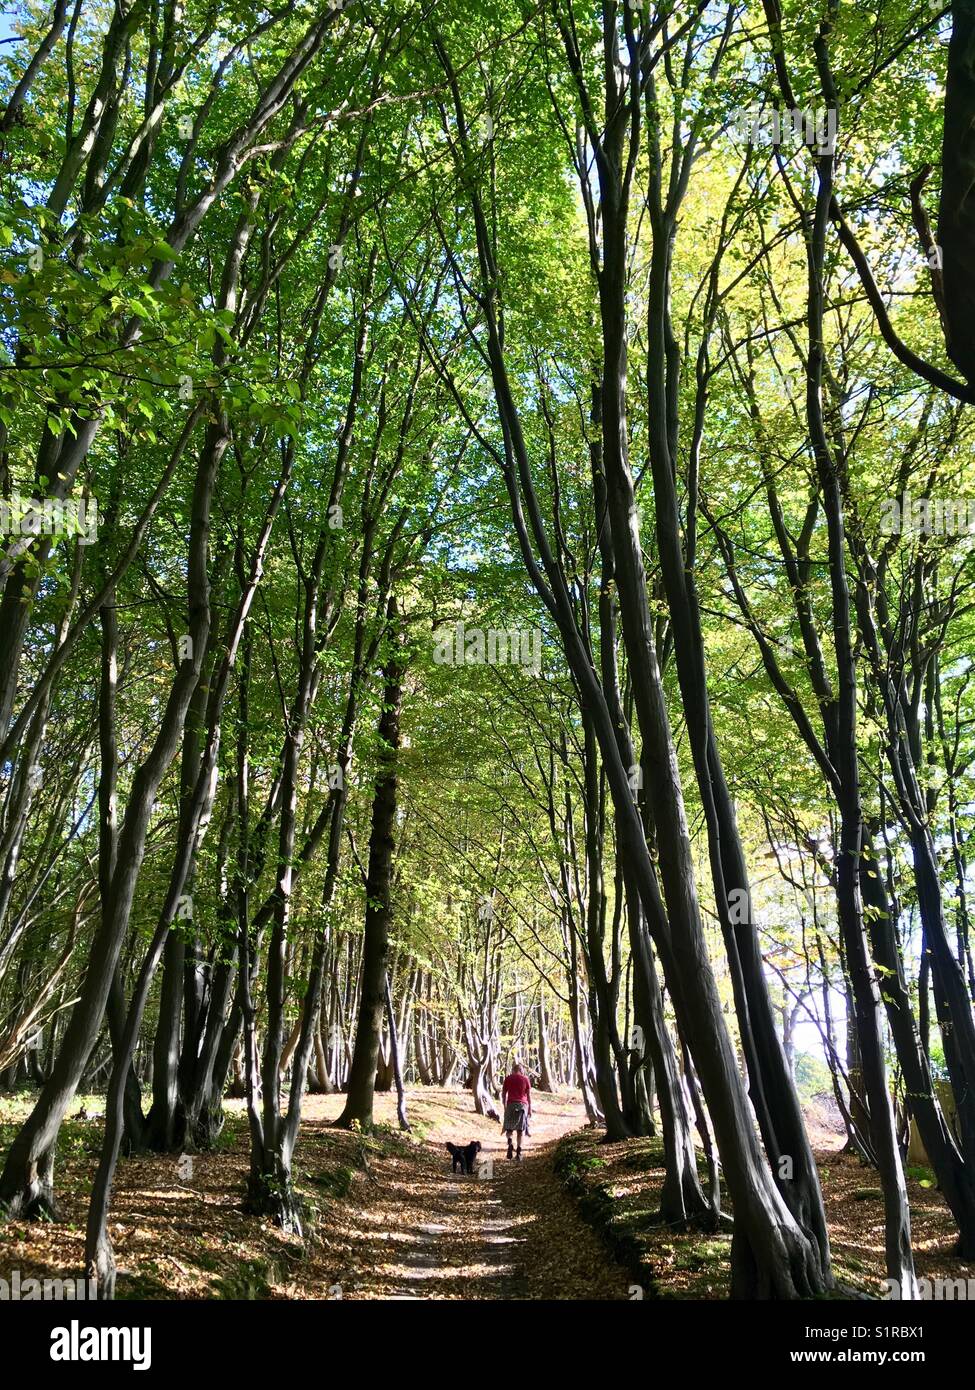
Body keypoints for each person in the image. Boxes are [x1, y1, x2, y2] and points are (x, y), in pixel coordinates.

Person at [501, 1061, 532, 1160]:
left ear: (514, 1070)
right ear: (521, 1071)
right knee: (520, 1130)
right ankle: (519, 1152)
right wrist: (530, 1108)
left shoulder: (508, 1078)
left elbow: (504, 1093)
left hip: (511, 1105)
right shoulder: (525, 1079)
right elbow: (528, 1095)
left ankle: (510, 1142)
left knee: (509, 1128)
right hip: (522, 1106)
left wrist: (504, 1104)